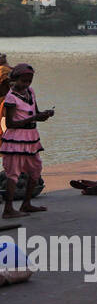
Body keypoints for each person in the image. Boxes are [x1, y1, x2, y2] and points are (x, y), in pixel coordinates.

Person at [2, 64, 53, 219]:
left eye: (29, 81)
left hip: (31, 138)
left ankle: (26, 203)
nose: (26, 84)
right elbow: (10, 123)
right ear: (15, 79)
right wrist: (34, 118)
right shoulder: (10, 98)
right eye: (23, 81)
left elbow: (35, 113)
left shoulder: (30, 92)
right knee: (13, 175)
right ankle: (8, 209)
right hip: (16, 140)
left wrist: (43, 115)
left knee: (35, 170)